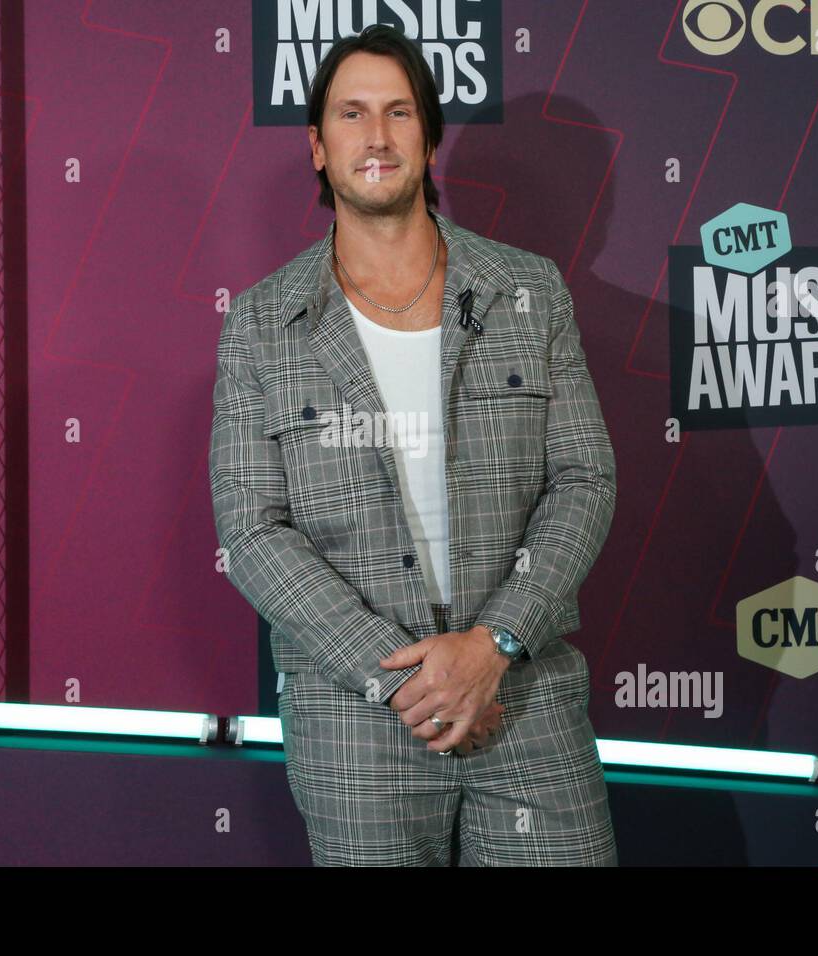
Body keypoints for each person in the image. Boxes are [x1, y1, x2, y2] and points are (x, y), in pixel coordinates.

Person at [209, 24, 617, 866]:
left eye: (400, 112)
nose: (378, 135)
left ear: (428, 139)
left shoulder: (529, 291)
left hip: (525, 698)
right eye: (352, 115)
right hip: (355, 726)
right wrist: (407, 681)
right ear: (319, 148)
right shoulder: (259, 323)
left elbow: (583, 479)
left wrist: (492, 645)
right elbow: (253, 531)